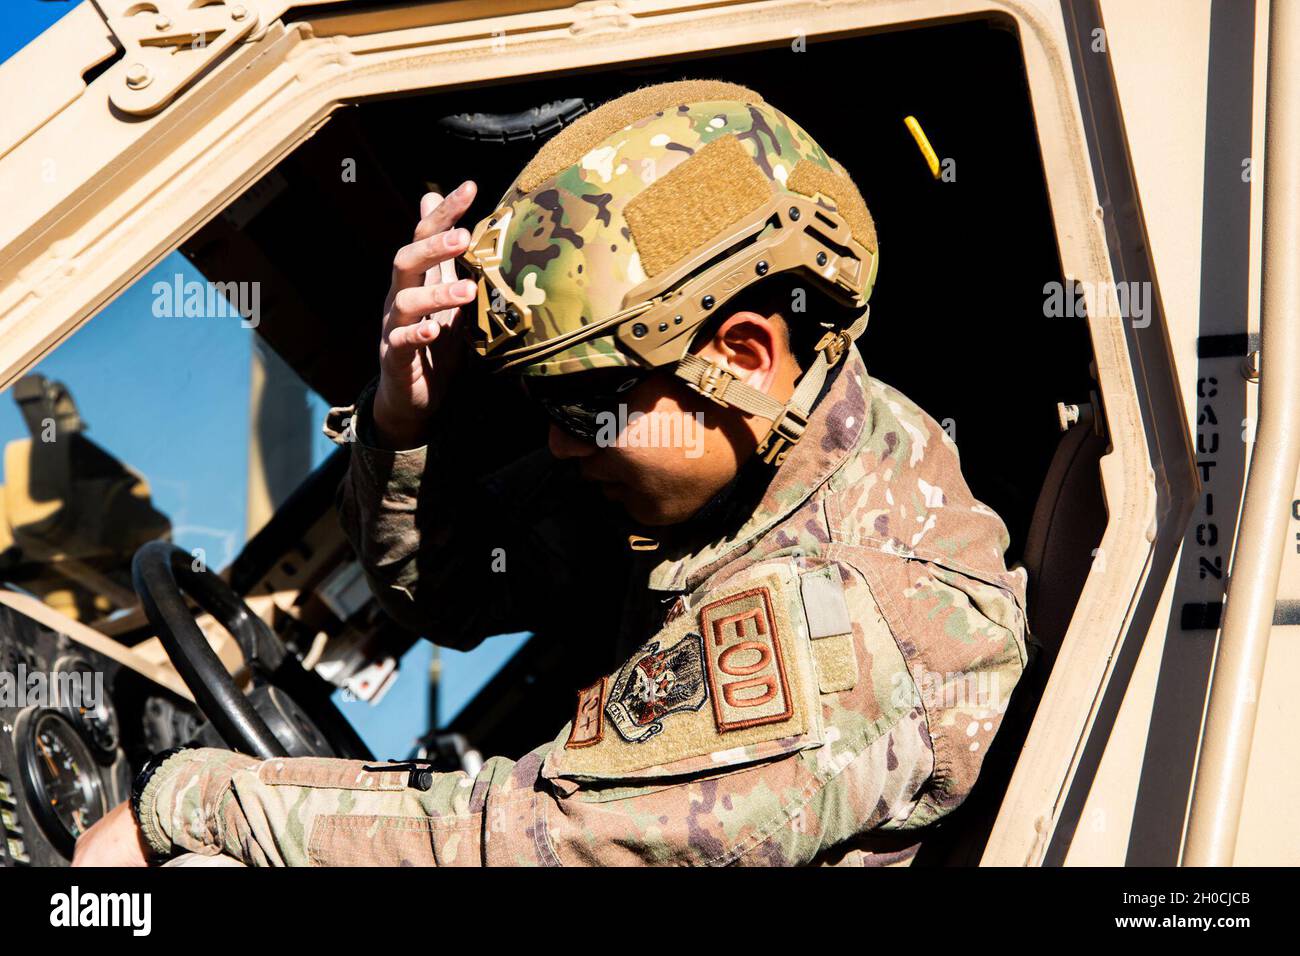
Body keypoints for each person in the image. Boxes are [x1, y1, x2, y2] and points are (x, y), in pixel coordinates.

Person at [73, 80, 1027, 867]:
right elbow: (440, 589)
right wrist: (404, 419)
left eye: (583, 410)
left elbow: (534, 848)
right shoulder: (723, 469)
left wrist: (188, 806)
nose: (565, 447)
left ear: (738, 353)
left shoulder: (848, 620)